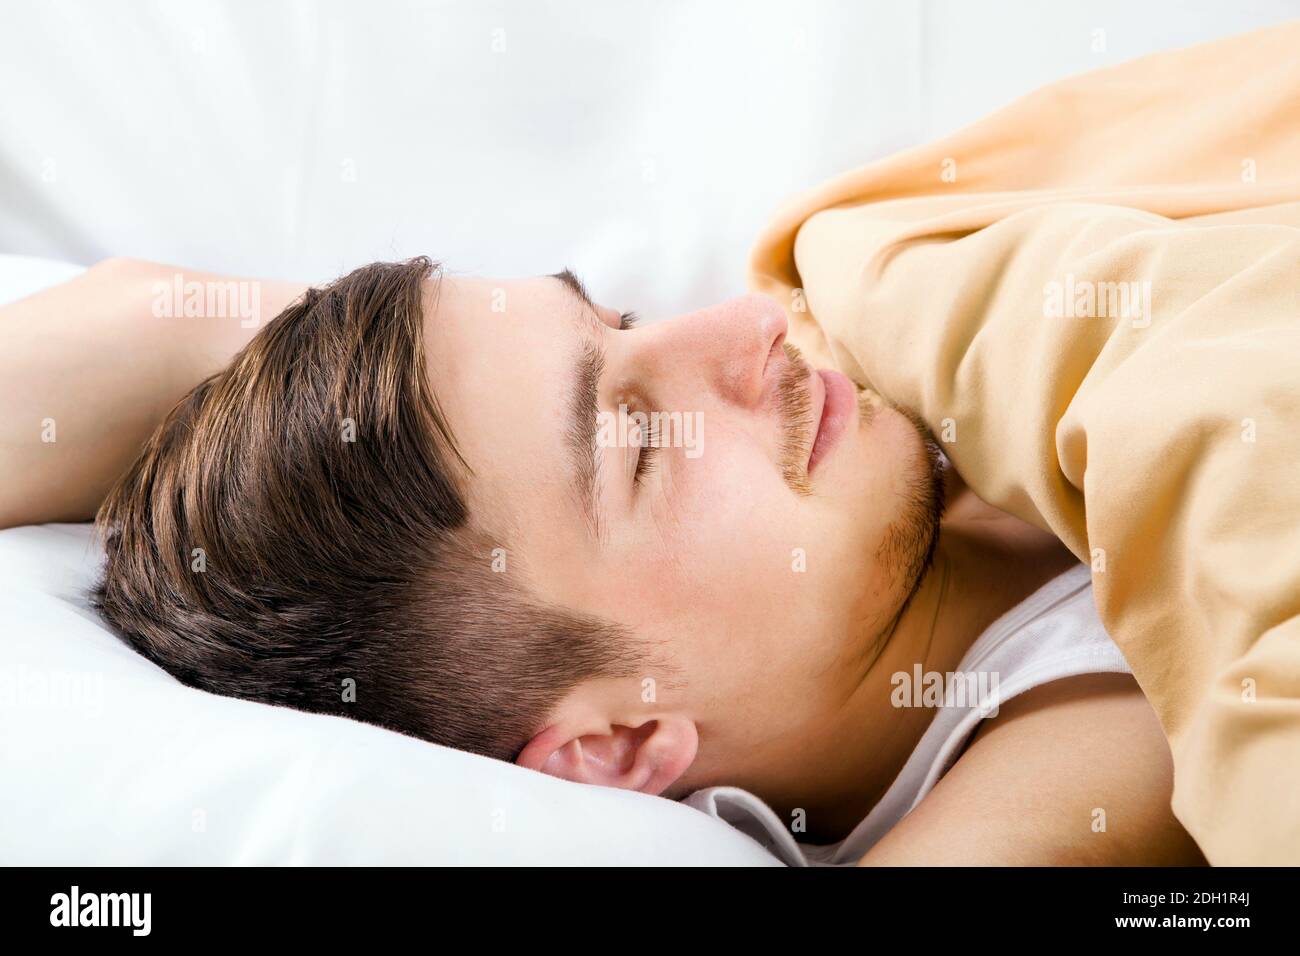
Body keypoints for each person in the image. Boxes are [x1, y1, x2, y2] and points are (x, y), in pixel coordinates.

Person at [0, 255, 1203, 864]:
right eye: (637, 440)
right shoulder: (1073, 755)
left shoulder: (896, 330)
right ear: (617, 747)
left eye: (619, 319)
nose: (743, 324)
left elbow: (119, 328)